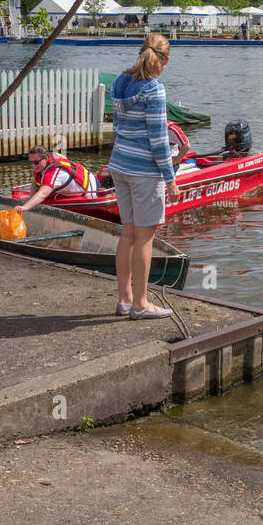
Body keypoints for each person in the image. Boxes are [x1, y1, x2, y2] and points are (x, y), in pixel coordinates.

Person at [108, 33, 181, 320]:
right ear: (166, 60)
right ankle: (141, 303)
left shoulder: (120, 82)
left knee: (127, 233)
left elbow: (117, 129)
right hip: (144, 172)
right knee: (145, 238)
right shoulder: (154, 89)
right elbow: (159, 140)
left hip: (119, 165)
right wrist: (170, 178)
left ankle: (124, 299)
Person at [17, 147, 99, 213]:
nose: (32, 165)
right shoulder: (43, 165)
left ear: (45, 158)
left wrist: (25, 207)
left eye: (35, 162)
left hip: (90, 186)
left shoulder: (54, 172)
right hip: (68, 190)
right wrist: (31, 199)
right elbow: (35, 181)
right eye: (30, 162)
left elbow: (43, 193)